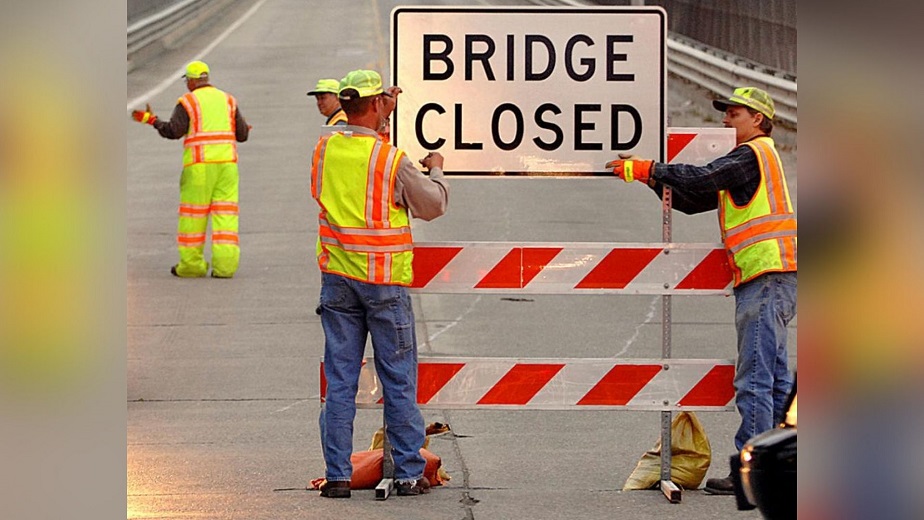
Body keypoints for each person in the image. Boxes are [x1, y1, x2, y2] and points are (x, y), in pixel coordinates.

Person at [606, 86, 797, 495]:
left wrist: (650, 168)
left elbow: (705, 176)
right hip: (772, 277)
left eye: (735, 114)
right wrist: (647, 178)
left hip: (766, 276)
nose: (726, 120)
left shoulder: (751, 155)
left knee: (755, 381)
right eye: (725, 113)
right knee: (776, 380)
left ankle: (755, 474)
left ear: (758, 120)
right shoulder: (751, 162)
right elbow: (693, 199)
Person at [310, 69, 449, 498]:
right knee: (398, 379)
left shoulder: (324, 148)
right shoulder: (389, 159)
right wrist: (438, 170)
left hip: (337, 281)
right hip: (383, 284)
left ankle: (337, 476)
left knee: (340, 381)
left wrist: (379, 112)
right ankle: (408, 473)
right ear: (376, 106)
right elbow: (433, 205)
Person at [131, 60, 250, 278]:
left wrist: (153, 121)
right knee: (226, 217)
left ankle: (192, 266)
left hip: (199, 168)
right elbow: (242, 134)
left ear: (192, 80)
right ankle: (225, 267)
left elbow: (174, 131)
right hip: (227, 168)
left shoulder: (187, 101)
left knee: (193, 217)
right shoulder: (228, 100)